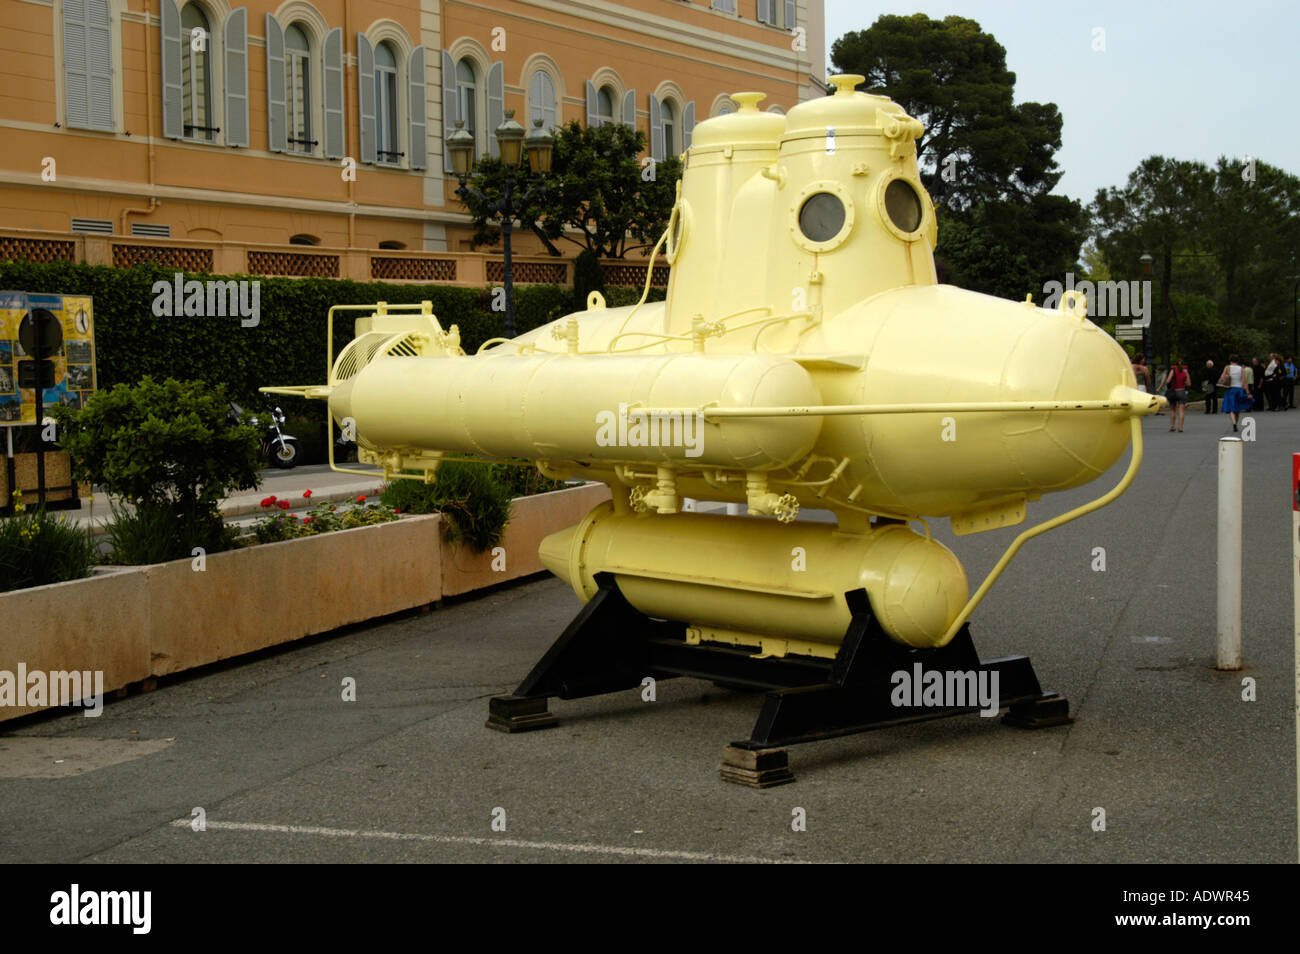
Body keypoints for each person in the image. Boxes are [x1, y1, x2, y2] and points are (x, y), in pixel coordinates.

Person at [1220, 355, 1250, 432]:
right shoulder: (1241, 369)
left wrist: (1225, 379)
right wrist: (1247, 392)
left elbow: (1222, 378)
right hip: (1239, 389)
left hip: (1231, 389)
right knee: (1237, 408)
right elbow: (1244, 381)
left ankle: (1234, 423)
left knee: (1231, 408)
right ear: (1237, 361)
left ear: (1230, 360)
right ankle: (1236, 423)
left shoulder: (1227, 367)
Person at [1166, 359, 1190, 431]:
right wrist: (1184, 382)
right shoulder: (1185, 372)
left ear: (1176, 365)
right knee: (1181, 410)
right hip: (1182, 391)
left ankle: (1173, 426)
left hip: (1173, 392)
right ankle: (1180, 427)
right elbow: (1189, 383)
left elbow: (1168, 381)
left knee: (1172, 409)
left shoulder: (1173, 371)